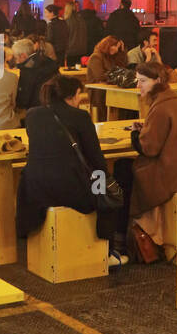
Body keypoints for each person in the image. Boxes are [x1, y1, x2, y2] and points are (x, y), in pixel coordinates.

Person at [16, 73, 128, 266]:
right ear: (72, 95)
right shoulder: (81, 117)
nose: (80, 100)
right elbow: (96, 159)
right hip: (70, 188)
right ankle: (106, 250)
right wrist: (106, 182)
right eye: (78, 96)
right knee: (106, 190)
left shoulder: (33, 115)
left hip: (35, 187)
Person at [127, 63, 177, 261]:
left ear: (157, 81)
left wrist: (135, 134)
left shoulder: (160, 107)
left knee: (124, 171)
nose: (138, 86)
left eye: (143, 81)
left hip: (170, 174)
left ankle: (125, 238)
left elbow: (148, 149)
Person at [13, 37, 58, 111]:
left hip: (37, 110)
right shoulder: (47, 60)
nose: (16, 61)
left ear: (23, 56)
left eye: (16, 58)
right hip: (54, 105)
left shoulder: (28, 69)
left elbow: (24, 100)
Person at [64, 3, 88, 68]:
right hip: (82, 50)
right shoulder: (82, 20)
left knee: (71, 70)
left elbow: (65, 37)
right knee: (79, 69)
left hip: (71, 50)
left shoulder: (67, 22)